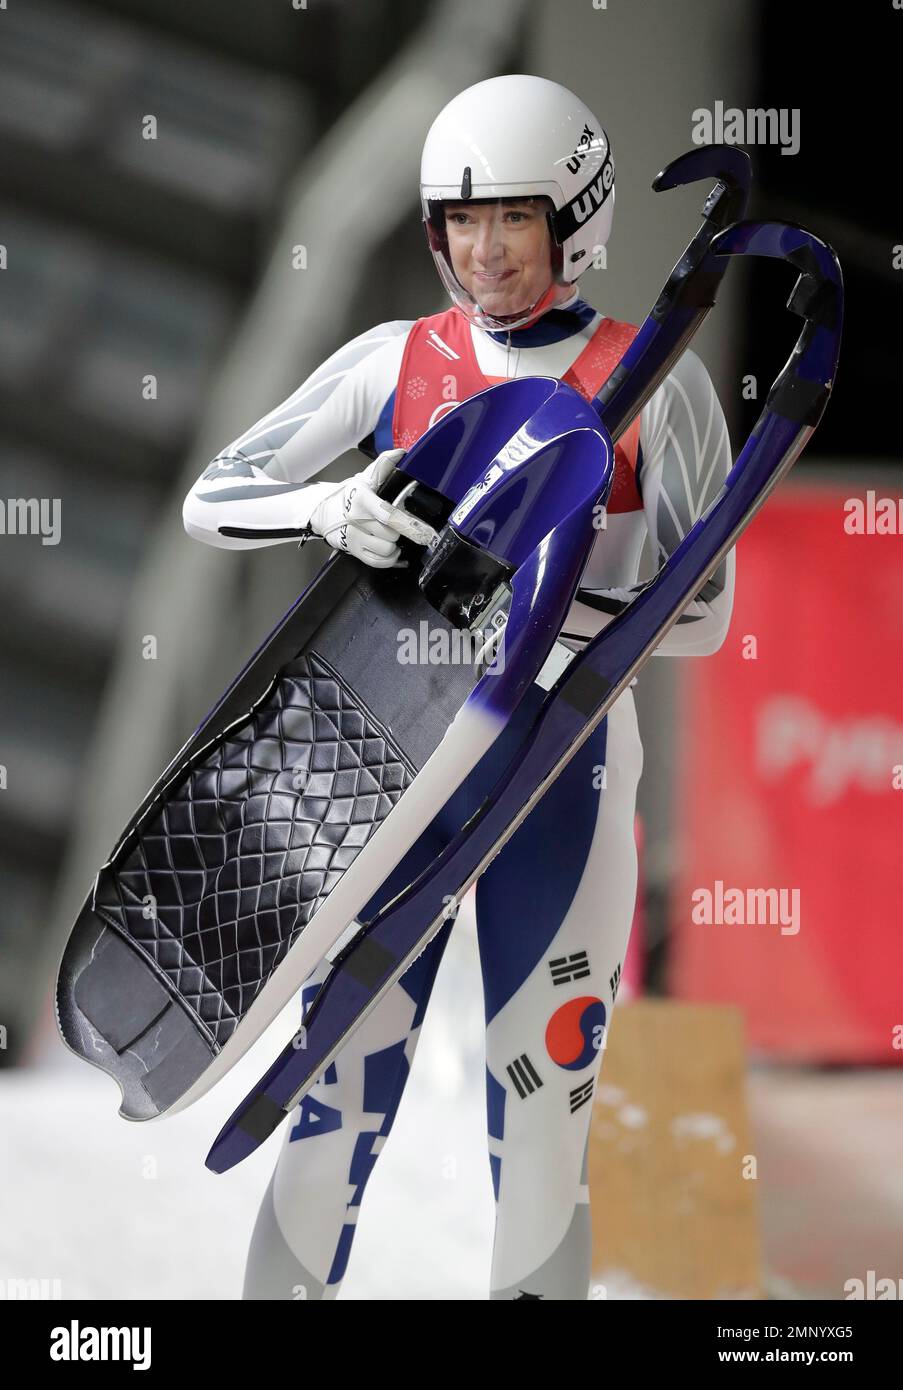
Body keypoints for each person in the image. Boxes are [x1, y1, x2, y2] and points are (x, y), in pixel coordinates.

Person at [182, 73, 735, 1300]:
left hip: (563, 779)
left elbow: (705, 614)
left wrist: (541, 598)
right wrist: (330, 506)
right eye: (461, 220)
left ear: (576, 219)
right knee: (332, 1112)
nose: (484, 251)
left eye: (515, 218)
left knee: (539, 1136)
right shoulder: (397, 359)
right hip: (387, 781)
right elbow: (212, 498)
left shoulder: (659, 378)